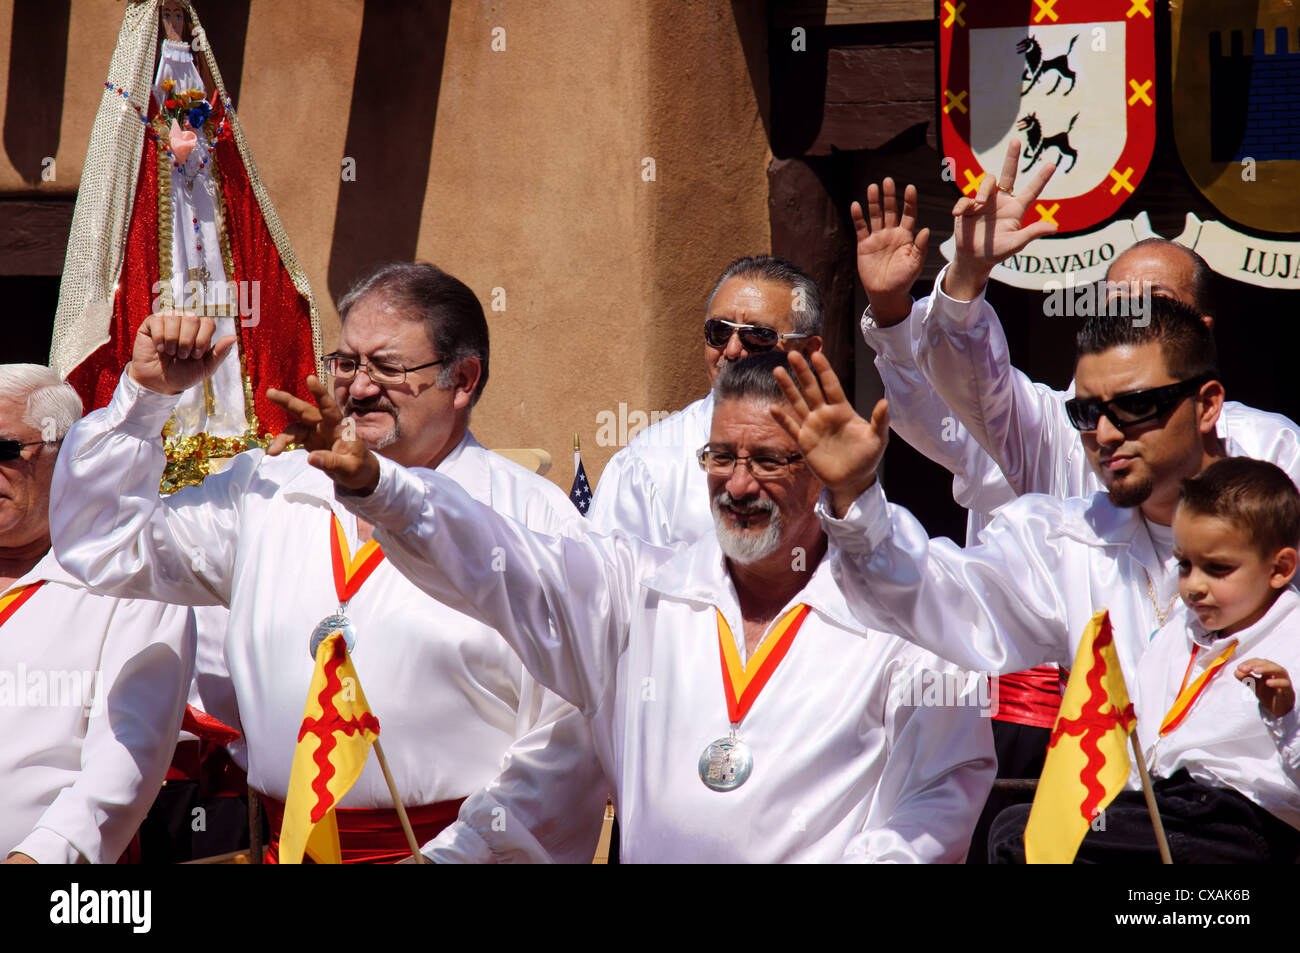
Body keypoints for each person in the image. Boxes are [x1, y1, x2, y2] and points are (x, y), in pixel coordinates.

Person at [278, 350, 996, 863]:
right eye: (721, 456)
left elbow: (937, 799)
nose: (737, 485)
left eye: (769, 461)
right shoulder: (638, 594)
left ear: (825, 470)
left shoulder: (907, 618)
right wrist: (385, 487)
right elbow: (502, 559)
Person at [50, 263, 607, 863]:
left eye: (388, 368)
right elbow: (102, 543)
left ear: (463, 379)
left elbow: (569, 738)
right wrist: (146, 398)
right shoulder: (267, 494)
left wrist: (459, 855)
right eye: (346, 363)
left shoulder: (531, 521)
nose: (359, 388)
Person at [990, 458, 1300, 862]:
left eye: (1218, 569)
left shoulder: (1292, 640)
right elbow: (1149, 733)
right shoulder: (1178, 630)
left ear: (1280, 569)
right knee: (1019, 828)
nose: (1194, 586)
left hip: (1242, 821)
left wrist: (1286, 715)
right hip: (1163, 807)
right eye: (1185, 565)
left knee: (1021, 838)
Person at [0, 364, 194, 864]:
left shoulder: (134, 577)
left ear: (64, 454)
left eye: (3, 450)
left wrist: (42, 856)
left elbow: (126, 757)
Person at [587, 255, 823, 546]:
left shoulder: (836, 459)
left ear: (809, 351)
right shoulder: (649, 465)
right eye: (719, 332)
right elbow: (606, 583)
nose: (733, 350)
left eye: (759, 336)